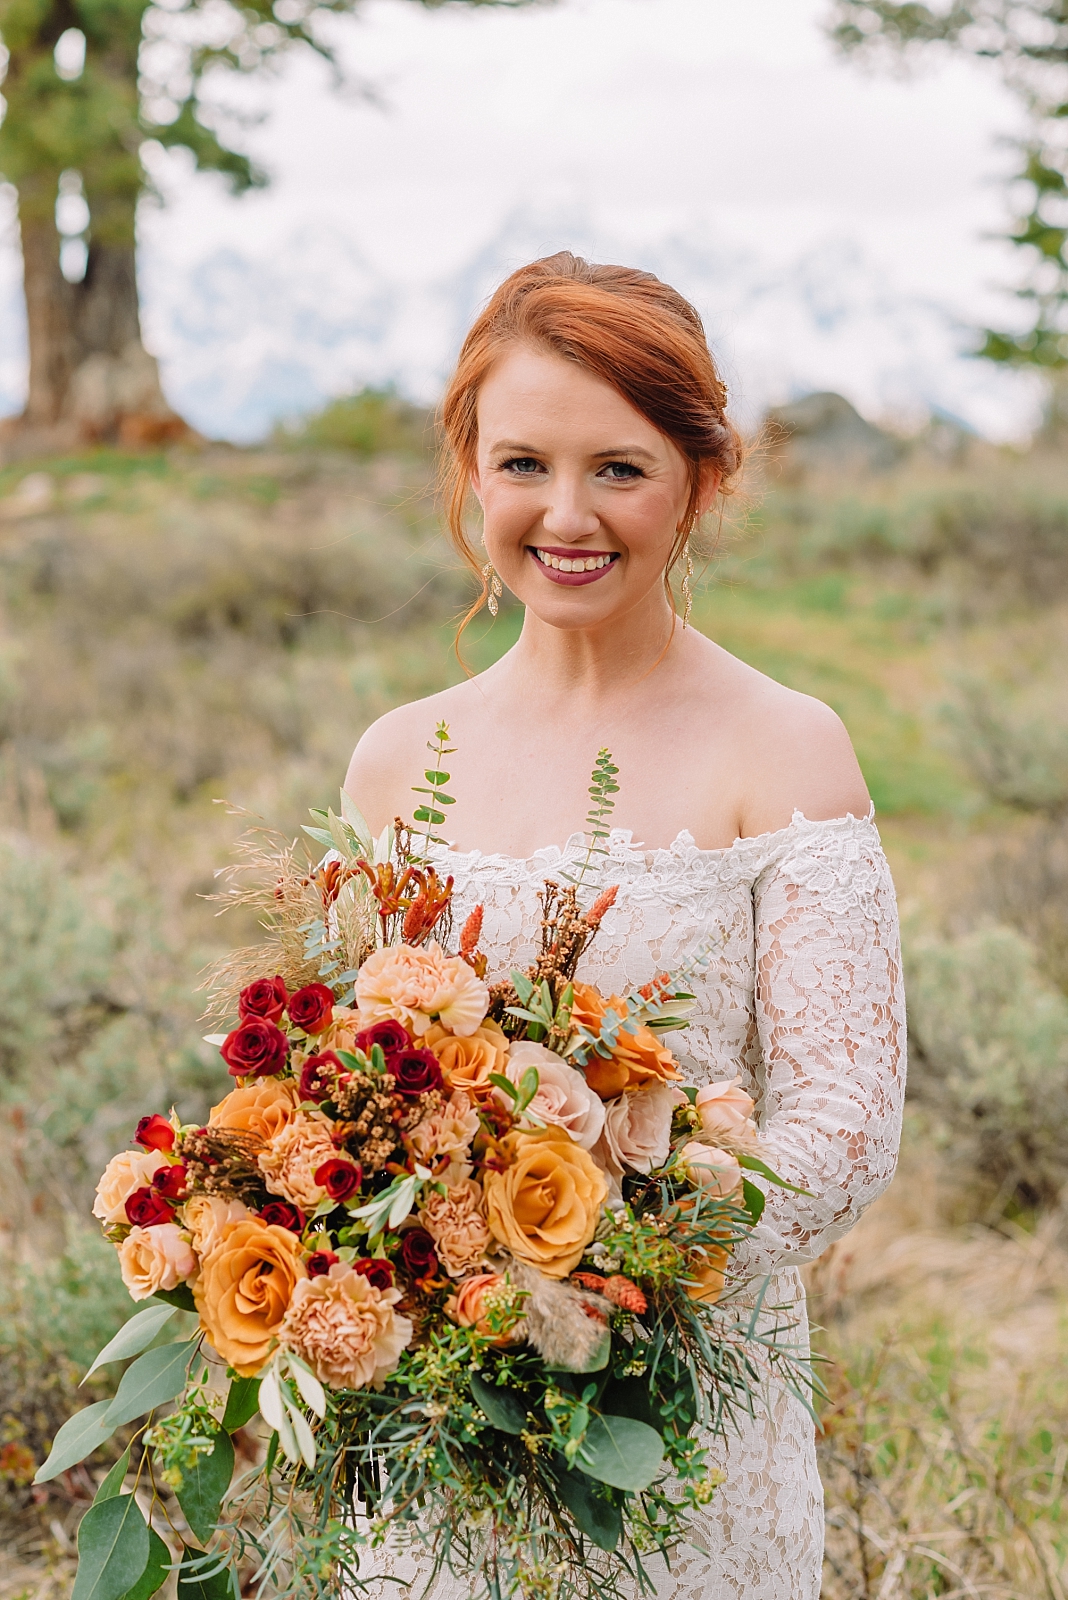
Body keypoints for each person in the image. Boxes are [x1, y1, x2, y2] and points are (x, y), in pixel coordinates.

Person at [345, 252, 906, 1600]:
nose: (566, 514)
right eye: (524, 462)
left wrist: (621, 1265)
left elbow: (847, 1118)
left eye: (620, 468)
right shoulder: (392, 759)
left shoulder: (787, 748)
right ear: (471, 471)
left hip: (684, 1414)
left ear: (700, 481)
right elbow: (355, 1073)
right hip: (435, 1435)